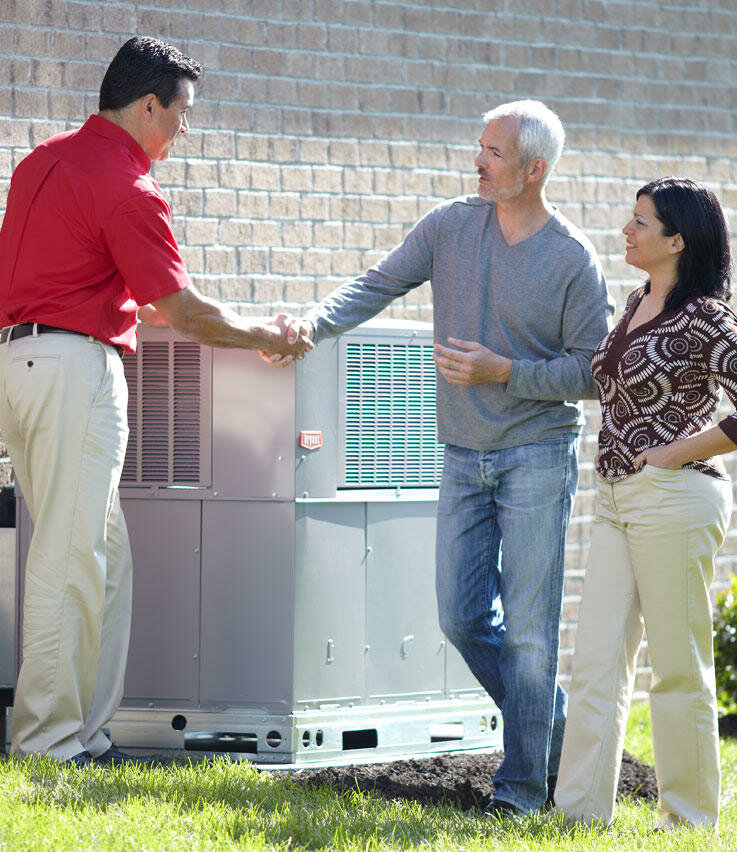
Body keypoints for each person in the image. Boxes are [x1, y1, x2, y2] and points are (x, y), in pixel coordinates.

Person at [267, 100, 612, 814]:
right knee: (459, 617)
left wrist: (503, 371)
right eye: (478, 147)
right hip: (461, 453)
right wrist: (310, 325)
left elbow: (589, 374)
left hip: (536, 457)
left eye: (492, 152)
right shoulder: (450, 226)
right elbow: (376, 284)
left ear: (533, 169)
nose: (476, 161)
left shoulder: (573, 260)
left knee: (528, 628)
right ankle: (553, 729)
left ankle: (519, 791)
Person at [0, 36, 310, 766]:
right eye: (180, 115)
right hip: (72, 372)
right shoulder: (129, 185)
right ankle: (47, 747)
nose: (183, 131)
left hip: (22, 362)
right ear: (147, 106)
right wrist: (269, 334)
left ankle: (87, 738)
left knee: (103, 561)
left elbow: (73, 280)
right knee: (71, 562)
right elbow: (183, 309)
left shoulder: (43, 163)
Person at [553, 177, 736, 830]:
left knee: (676, 669)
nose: (625, 230)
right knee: (595, 663)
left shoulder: (707, 317)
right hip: (612, 498)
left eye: (639, 221)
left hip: (673, 498)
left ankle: (685, 820)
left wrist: (677, 451)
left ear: (677, 240)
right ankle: (576, 817)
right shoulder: (634, 302)